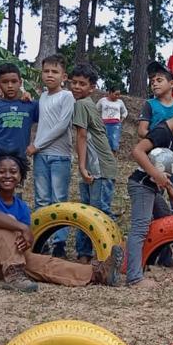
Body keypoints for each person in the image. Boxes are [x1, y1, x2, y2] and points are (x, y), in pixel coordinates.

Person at [0, 153, 119, 292]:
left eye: (13, 172)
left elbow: (26, 239)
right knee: (6, 222)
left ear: (20, 176)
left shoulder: (21, 207)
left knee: (41, 261)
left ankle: (96, 273)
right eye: (2, 172)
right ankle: (15, 276)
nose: (7, 175)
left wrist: (26, 241)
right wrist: (22, 228)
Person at [125, 104, 173, 288]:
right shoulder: (162, 132)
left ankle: (160, 261)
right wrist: (156, 175)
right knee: (140, 229)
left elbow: (161, 168)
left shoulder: (169, 135)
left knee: (165, 217)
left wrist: (170, 188)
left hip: (151, 186)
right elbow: (138, 151)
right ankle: (134, 277)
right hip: (142, 185)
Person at [27, 54, 75, 256]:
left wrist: (36, 144)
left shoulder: (67, 96)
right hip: (41, 156)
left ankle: (59, 242)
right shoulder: (43, 97)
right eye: (46, 71)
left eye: (54, 72)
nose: (50, 75)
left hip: (60, 155)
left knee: (59, 199)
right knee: (41, 199)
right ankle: (41, 237)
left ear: (63, 76)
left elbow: (61, 126)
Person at [69, 64, 117, 262]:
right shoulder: (85, 103)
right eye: (74, 83)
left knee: (98, 211)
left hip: (99, 167)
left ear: (92, 88)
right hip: (94, 165)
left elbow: (82, 135)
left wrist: (81, 166)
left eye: (82, 84)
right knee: (87, 210)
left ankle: (113, 251)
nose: (77, 87)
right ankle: (84, 253)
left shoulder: (82, 104)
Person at [139, 64, 173, 222]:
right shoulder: (150, 105)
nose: (154, 83)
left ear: (172, 83)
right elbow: (142, 130)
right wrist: (157, 141)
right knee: (153, 199)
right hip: (154, 160)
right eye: (152, 80)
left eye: (159, 80)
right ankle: (155, 239)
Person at [0, 63, 38, 181]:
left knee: (16, 195)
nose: (10, 86)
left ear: (20, 83)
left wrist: (36, 144)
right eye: (5, 82)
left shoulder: (30, 105)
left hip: (19, 158)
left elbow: (47, 124)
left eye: (14, 81)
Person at [100, 83, 128, 154]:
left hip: (116, 125)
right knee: (105, 141)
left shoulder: (120, 102)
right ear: (110, 93)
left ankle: (113, 157)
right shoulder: (103, 101)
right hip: (104, 124)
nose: (118, 96)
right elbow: (95, 110)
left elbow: (125, 112)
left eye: (119, 94)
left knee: (114, 141)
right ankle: (105, 157)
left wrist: (122, 120)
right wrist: (98, 120)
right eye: (116, 94)